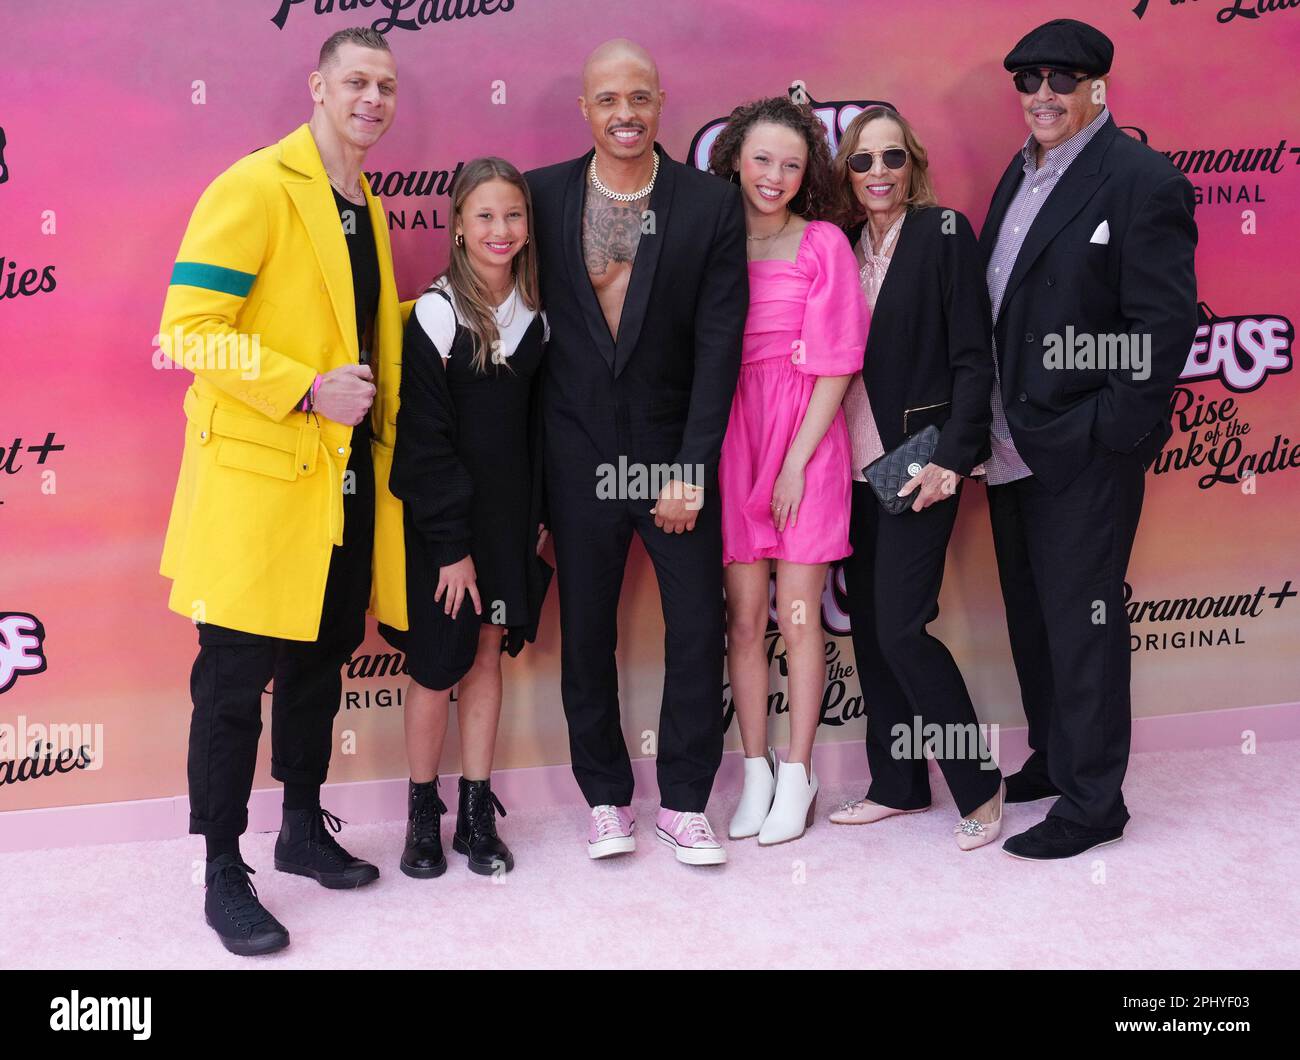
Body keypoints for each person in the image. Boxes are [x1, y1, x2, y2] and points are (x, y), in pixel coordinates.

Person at [158, 28, 405, 954]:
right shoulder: (256, 185)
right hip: (257, 493)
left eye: (386, 85)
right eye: (356, 81)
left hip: (339, 488)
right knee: (231, 687)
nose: (372, 99)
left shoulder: (367, 204)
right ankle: (223, 871)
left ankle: (301, 830)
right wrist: (304, 387)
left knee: (319, 664)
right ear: (318, 87)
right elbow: (189, 330)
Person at [524, 39, 748, 865]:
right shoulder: (541, 195)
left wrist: (692, 467)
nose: (626, 113)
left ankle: (685, 801)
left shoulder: (709, 204)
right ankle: (605, 799)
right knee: (587, 635)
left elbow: (719, 346)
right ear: (586, 108)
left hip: (672, 456)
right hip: (575, 456)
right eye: (610, 99)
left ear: (660, 103)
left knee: (696, 630)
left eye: (641, 97)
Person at [980, 19, 1198, 860]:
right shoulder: (1021, 170)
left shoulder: (1142, 180)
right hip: (1009, 442)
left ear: (1097, 86)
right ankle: (1056, 757)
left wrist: (1110, 432)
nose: (1043, 94)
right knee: (1036, 621)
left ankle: (1095, 803)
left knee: (1085, 626)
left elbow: (1162, 326)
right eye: (1028, 80)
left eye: (1062, 80)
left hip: (1084, 450)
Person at [826, 105, 1005, 849]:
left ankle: (980, 783)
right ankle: (897, 783)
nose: (878, 172)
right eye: (862, 160)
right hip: (852, 469)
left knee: (902, 628)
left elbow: (973, 359)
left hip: (920, 463)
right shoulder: (841, 245)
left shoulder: (943, 233)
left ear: (913, 164)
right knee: (871, 630)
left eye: (892, 157)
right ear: (847, 172)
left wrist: (952, 459)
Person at [377, 158, 552, 880]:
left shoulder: (538, 315)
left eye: (513, 215)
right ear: (457, 226)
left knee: (485, 654)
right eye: (484, 216)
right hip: (444, 529)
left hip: (509, 524)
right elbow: (424, 440)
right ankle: (424, 813)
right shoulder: (437, 314)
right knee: (435, 664)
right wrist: (451, 546)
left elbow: (540, 429)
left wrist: (540, 517)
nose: (500, 229)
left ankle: (477, 813)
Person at [708, 97, 867, 846]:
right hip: (735, 435)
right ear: (735, 159)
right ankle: (756, 770)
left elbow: (838, 363)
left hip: (806, 435)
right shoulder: (713, 242)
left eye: (792, 165)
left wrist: (796, 463)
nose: (775, 175)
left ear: (808, 175)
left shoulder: (823, 243)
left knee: (798, 615)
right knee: (743, 619)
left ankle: (799, 774)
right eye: (763, 159)